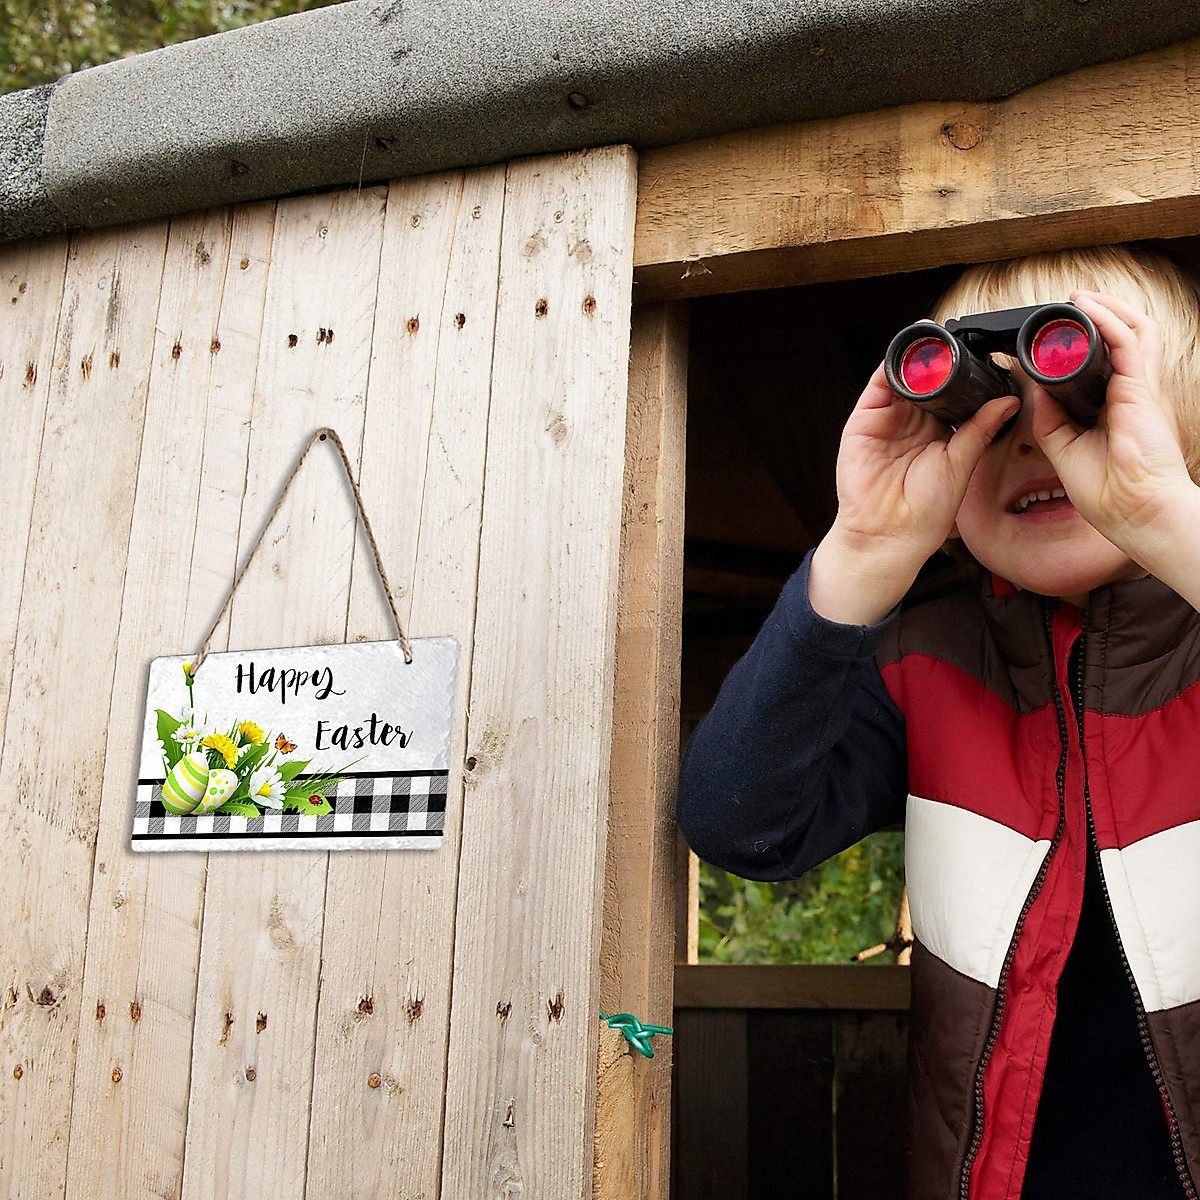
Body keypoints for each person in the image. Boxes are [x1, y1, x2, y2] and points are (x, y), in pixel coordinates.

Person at [674, 242, 1200, 1200]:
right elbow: (740, 821)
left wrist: (1169, 519)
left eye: (1089, 404)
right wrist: (864, 551)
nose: (1036, 442)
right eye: (987, 420)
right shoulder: (929, 664)